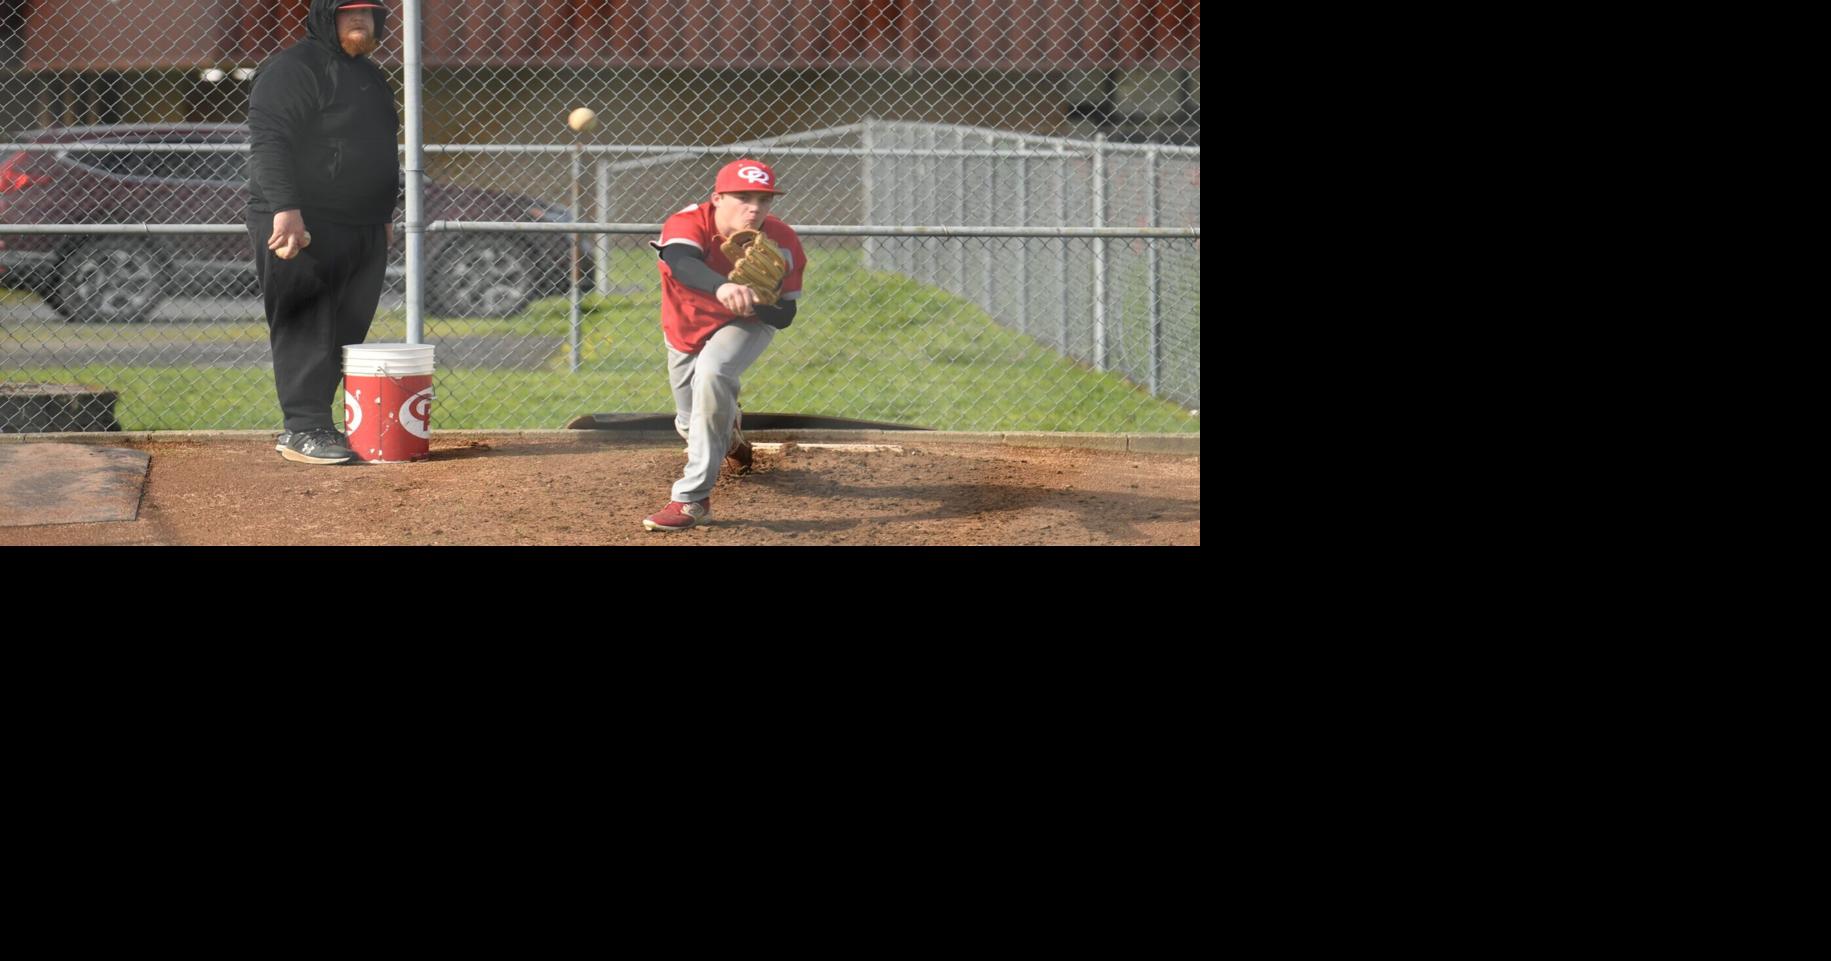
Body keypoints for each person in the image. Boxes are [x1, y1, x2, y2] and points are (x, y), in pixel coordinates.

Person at [246, 0, 399, 465]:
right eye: (348, 12)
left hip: (364, 223)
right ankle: (302, 428)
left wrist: (383, 215)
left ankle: (323, 425)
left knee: (347, 330)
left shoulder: (371, 75)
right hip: (304, 223)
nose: (360, 20)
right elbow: (270, 140)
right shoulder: (293, 69)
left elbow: (378, 148)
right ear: (323, 18)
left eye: (368, 13)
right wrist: (285, 210)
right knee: (306, 326)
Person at [642, 159, 806, 531]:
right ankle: (730, 439)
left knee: (714, 373)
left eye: (763, 200)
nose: (754, 208)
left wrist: (760, 299)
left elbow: (786, 314)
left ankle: (692, 499)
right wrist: (723, 286)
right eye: (742, 197)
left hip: (746, 324)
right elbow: (680, 261)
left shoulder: (783, 241)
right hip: (685, 326)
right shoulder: (689, 222)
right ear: (717, 198)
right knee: (690, 423)